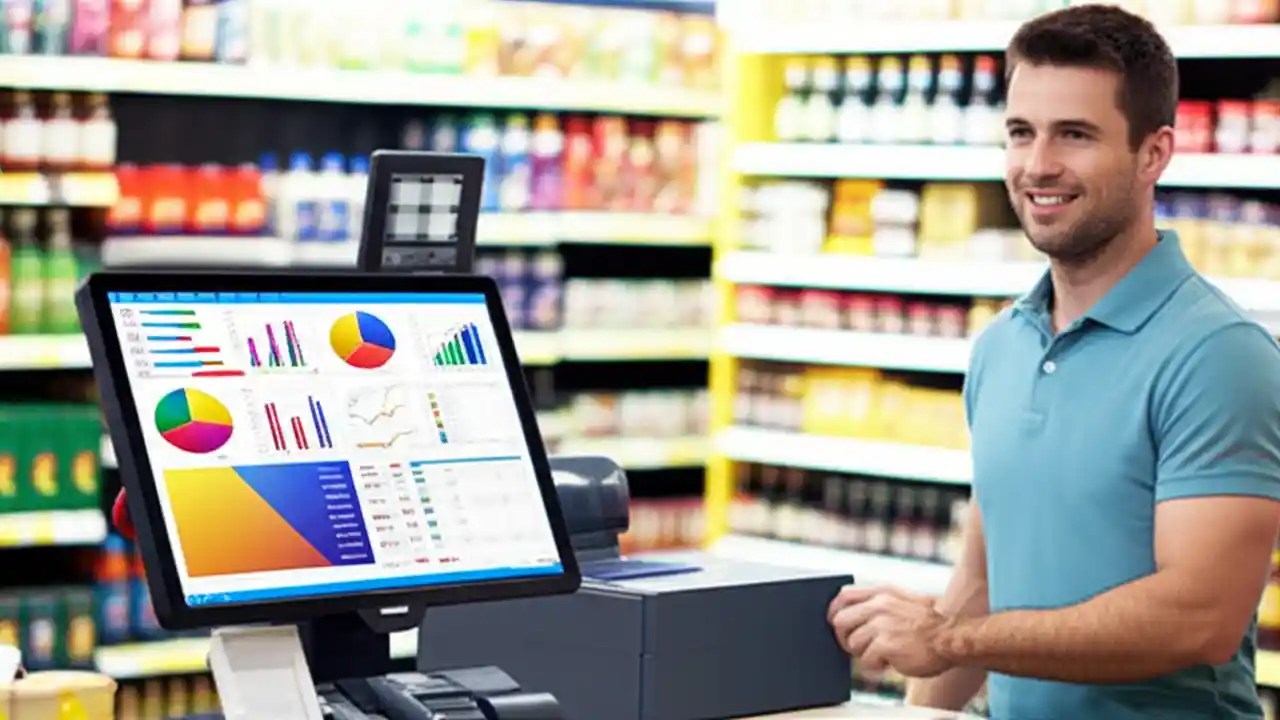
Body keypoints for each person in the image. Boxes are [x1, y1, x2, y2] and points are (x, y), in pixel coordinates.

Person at [826, 5, 1280, 719]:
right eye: (1020, 132)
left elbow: (1200, 617)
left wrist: (949, 640)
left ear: (1154, 153)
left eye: (1075, 134)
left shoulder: (1219, 355)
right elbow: (979, 585)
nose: (1039, 165)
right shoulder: (1002, 345)